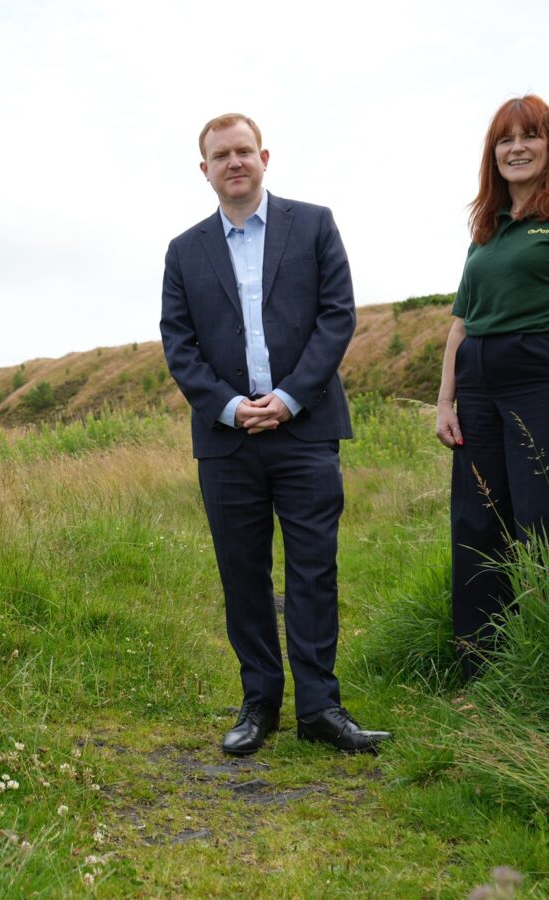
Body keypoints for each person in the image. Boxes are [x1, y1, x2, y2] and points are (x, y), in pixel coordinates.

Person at [161, 113, 390, 756]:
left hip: (307, 429)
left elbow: (337, 317)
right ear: (202, 168)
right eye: (220, 155)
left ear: (264, 157)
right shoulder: (183, 251)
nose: (233, 163)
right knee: (243, 574)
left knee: (314, 570)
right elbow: (178, 345)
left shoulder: (313, 224)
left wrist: (288, 399)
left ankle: (321, 707)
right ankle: (259, 704)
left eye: (243, 151)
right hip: (226, 438)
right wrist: (232, 407)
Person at [434, 95, 549, 680]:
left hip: (548, 382)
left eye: (529, 137)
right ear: (492, 154)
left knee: (547, 526)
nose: (516, 148)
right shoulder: (486, 234)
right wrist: (445, 400)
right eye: (504, 140)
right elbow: (461, 323)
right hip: (480, 390)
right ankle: (482, 673)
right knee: (477, 524)